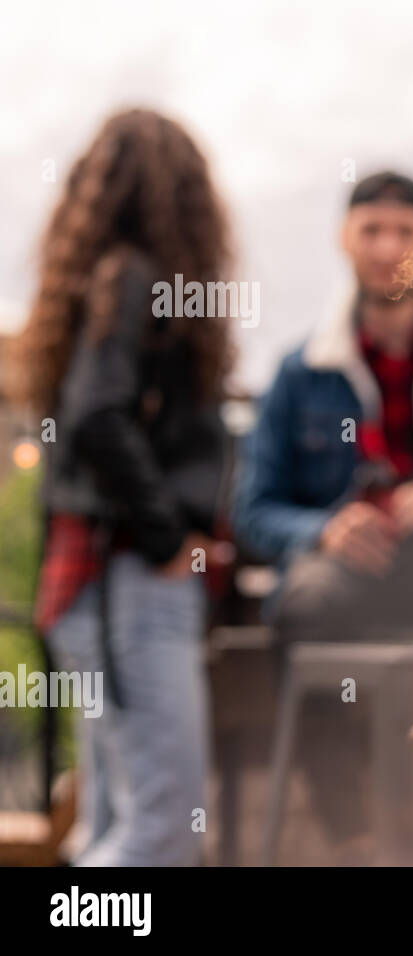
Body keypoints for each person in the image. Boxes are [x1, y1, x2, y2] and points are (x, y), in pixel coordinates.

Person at [232, 170, 413, 852]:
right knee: (301, 602)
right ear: (346, 238)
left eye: (406, 232)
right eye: (373, 230)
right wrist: (325, 529)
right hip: (355, 566)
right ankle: (351, 831)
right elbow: (254, 510)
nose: (389, 247)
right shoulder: (298, 371)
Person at [9, 109, 232, 865]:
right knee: (165, 826)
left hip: (95, 581)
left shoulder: (96, 282)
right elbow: (98, 415)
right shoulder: (138, 276)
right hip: (128, 578)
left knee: (112, 822)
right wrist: (169, 535)